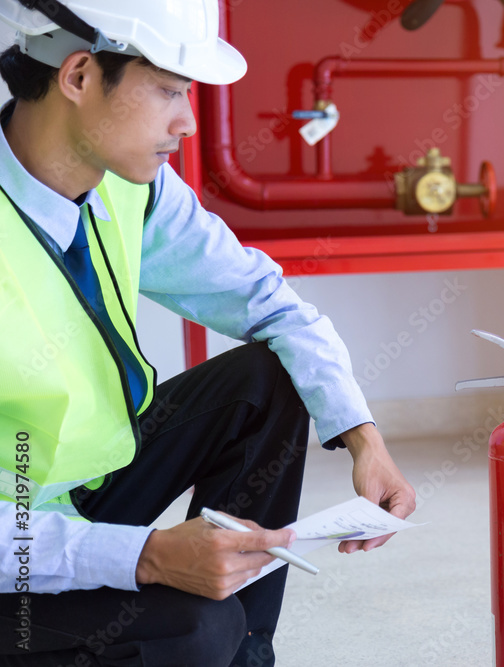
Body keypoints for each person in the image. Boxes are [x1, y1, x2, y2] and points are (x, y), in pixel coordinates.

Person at [0, 1, 416, 665]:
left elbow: (270, 302)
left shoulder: (131, 189)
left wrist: (363, 436)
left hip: (87, 486)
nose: (187, 123)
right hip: (13, 545)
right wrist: (150, 556)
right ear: (78, 76)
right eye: (167, 90)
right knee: (196, 630)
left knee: (266, 377)